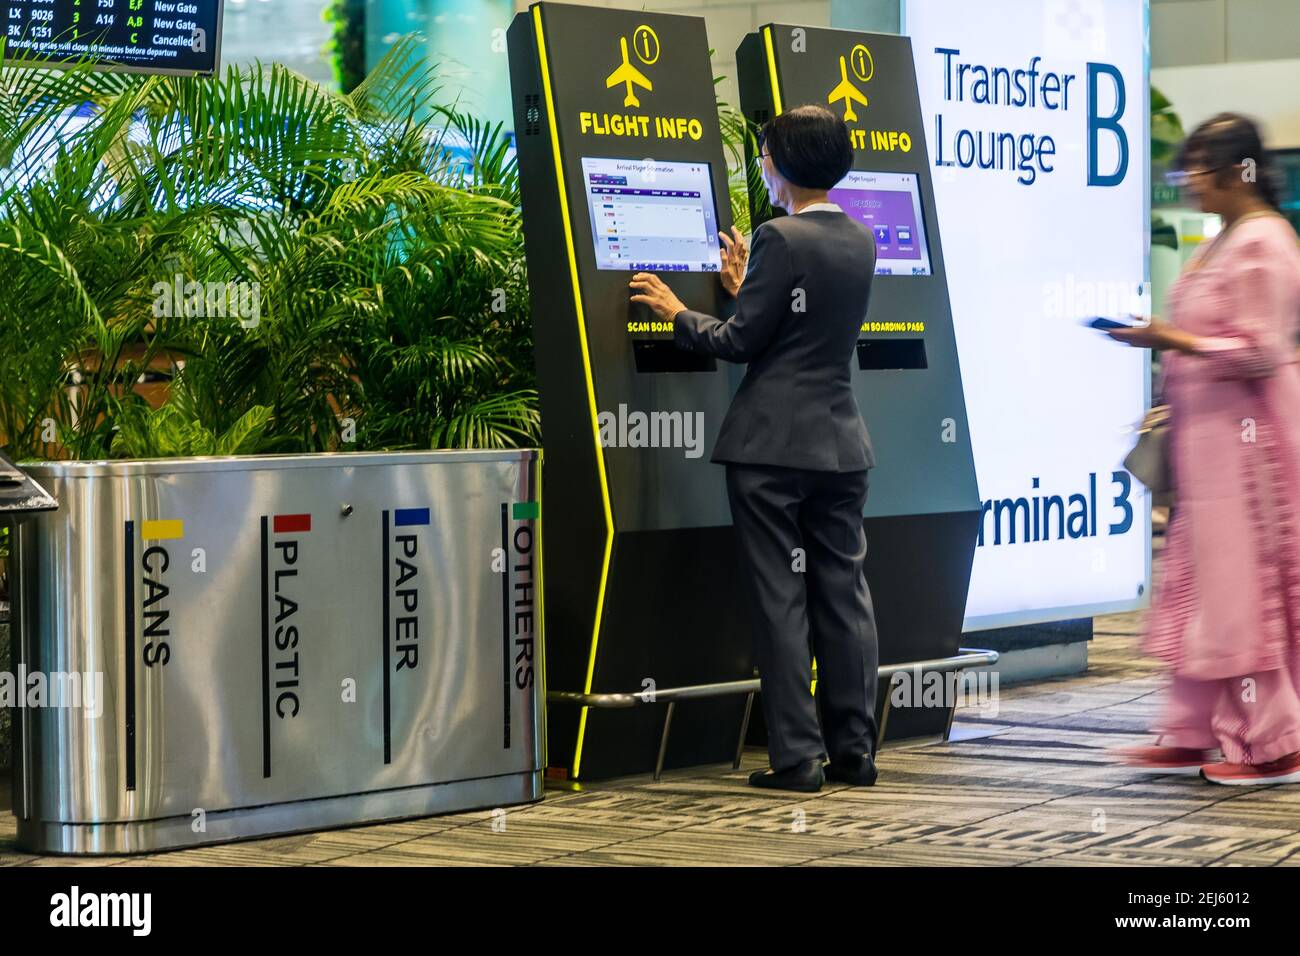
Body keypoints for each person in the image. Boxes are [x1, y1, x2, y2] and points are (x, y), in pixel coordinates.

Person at [629, 104, 879, 792]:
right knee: (843, 596)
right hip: (842, 445)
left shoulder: (781, 234)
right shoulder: (859, 238)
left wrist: (679, 313)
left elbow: (740, 343)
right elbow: (792, 326)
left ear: (786, 162)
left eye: (766, 154)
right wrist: (746, 292)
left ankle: (797, 759)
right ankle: (855, 752)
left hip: (773, 448)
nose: (763, 165)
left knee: (780, 599)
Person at [1110, 113, 1300, 784]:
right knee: (1203, 591)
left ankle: (1275, 742)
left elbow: (1261, 349)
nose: (1185, 180)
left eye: (1192, 167)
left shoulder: (1264, 242)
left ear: (1231, 171)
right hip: (1209, 448)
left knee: (1241, 597)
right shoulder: (1229, 239)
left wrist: (1173, 341)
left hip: (1248, 457)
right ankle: (1191, 730)